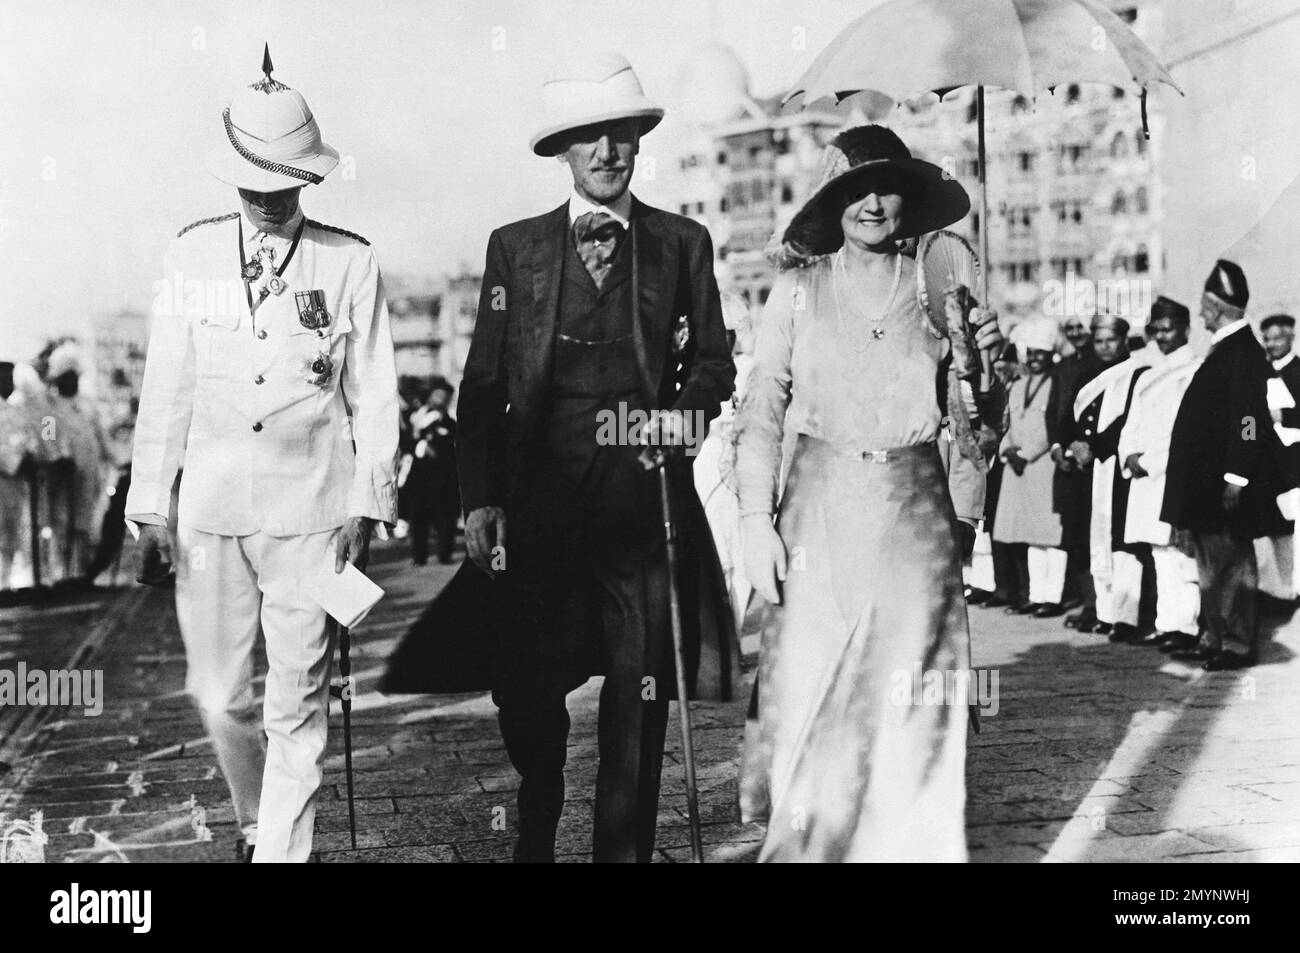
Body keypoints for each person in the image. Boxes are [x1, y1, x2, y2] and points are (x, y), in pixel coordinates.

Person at [447, 51, 738, 863]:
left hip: (642, 508)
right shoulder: (518, 250)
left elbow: (713, 363)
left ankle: (622, 854)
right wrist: (480, 499)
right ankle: (538, 802)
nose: (607, 151)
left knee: (638, 691)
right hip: (539, 503)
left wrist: (678, 422)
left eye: (620, 135)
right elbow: (483, 384)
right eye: (589, 139)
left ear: (638, 143)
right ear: (564, 153)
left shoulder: (683, 244)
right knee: (526, 691)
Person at [126, 50, 399, 862]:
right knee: (216, 693)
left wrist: (367, 502)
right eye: (254, 182)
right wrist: (149, 508)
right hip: (210, 514)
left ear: (308, 180)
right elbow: (164, 389)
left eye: (284, 184)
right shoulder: (190, 257)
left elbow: (374, 393)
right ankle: (256, 815)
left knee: (298, 701)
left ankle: (283, 849)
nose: (269, 200)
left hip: (311, 512)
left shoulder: (350, 261)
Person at [735, 124, 1003, 861]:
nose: (873, 204)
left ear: (909, 197)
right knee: (809, 698)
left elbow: (977, 427)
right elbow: (761, 409)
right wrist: (756, 521)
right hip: (815, 515)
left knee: (911, 706)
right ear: (832, 201)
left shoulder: (939, 289)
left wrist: (978, 366)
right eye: (856, 189)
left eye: (887, 187)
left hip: (915, 516)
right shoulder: (797, 290)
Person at [1161, 260, 1292, 671]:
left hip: (1224, 487)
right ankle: (1213, 638)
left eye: (1204, 307)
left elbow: (1250, 421)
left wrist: (1238, 474)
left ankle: (1235, 644)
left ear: (1217, 308)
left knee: (1232, 568)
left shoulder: (1244, 355)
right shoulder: (1227, 351)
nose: (1200, 315)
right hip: (1206, 486)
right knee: (1210, 571)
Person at [1116, 297, 1201, 651]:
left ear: (1184, 329)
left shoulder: (1194, 371)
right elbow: (1131, 423)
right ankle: (1167, 623)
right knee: (1158, 552)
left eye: (1168, 330)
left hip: (1172, 472)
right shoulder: (1147, 375)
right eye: (1156, 331)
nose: (1161, 337)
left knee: (1181, 554)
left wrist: (1150, 461)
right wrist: (1130, 454)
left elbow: (1188, 432)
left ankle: (1187, 626)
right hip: (1143, 475)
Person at [1069, 314, 1154, 643]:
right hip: (1089, 472)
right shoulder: (1086, 377)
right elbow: (1070, 420)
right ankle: (1104, 613)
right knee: (1096, 543)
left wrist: (1093, 444)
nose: (1105, 347)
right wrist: (1072, 444)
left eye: (1111, 340)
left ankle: (1126, 617)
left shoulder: (1137, 375)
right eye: (1099, 341)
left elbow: (1129, 420)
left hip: (1118, 471)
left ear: (1123, 340)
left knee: (1122, 543)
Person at [992, 319, 1067, 617]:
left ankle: (1053, 597)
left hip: (1041, 465)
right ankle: (1035, 596)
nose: (1034, 359)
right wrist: (1007, 448)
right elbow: (1005, 420)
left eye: (1041, 353)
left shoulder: (1057, 383)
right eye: (1031, 353)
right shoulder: (1018, 385)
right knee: (1028, 536)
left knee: (1049, 535)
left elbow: (1053, 424)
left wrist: (1027, 453)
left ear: (1051, 355)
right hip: (1015, 466)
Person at [1049, 315, 1102, 627]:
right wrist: (1058, 447)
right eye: (1070, 329)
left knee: (1094, 536)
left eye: (1081, 327)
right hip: (1067, 464)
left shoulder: (1102, 361)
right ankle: (1088, 603)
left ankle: (1100, 607)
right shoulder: (1063, 366)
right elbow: (1057, 411)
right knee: (1075, 538)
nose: (1076, 334)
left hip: (1093, 462)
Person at [1258, 313, 1299, 605]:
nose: (1271, 344)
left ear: (1291, 338)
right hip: (1265, 461)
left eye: (1277, 338)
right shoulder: (1257, 372)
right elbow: (1246, 418)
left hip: (1294, 459)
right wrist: (1247, 440)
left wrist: (1281, 415)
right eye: (1267, 338)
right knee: (1272, 528)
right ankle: (1277, 589)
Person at [407, 377, 459, 565]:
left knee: (446, 519)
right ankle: (419, 556)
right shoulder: (415, 417)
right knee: (418, 519)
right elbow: (406, 442)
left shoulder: (450, 422)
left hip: (444, 479)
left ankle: (445, 555)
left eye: (444, 397)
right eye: (437, 395)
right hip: (420, 479)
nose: (440, 400)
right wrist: (420, 444)